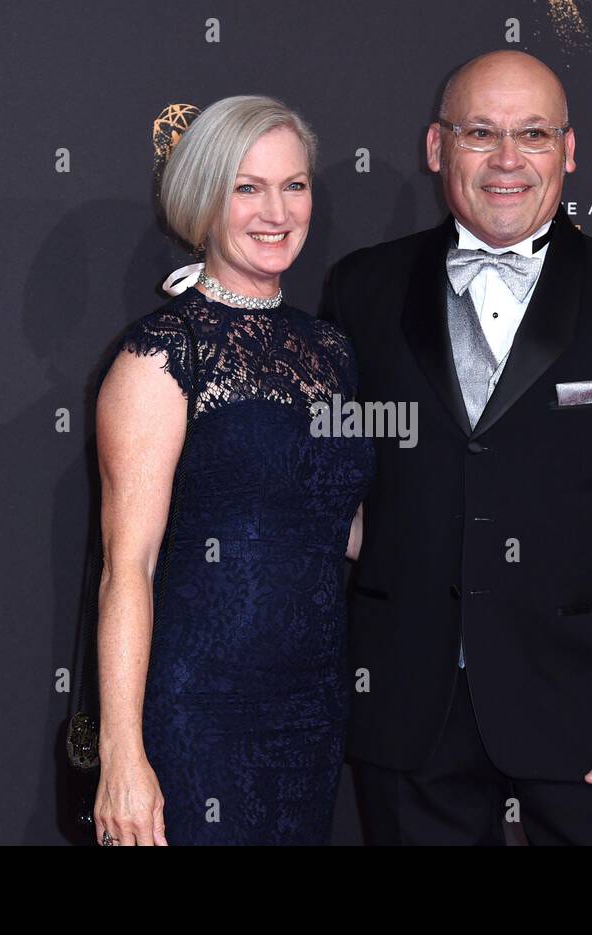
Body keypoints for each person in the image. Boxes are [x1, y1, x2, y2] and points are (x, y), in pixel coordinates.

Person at [322, 50, 592, 845]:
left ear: (569, 151)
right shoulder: (360, 289)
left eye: (533, 134)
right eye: (481, 132)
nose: (507, 159)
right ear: (436, 147)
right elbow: (323, 468)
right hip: (408, 709)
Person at [92, 95, 374, 845]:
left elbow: (338, 526)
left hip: (313, 706)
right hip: (199, 710)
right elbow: (130, 566)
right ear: (203, 199)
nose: (276, 210)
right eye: (246, 187)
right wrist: (123, 752)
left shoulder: (333, 352)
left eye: (295, 185)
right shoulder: (163, 352)